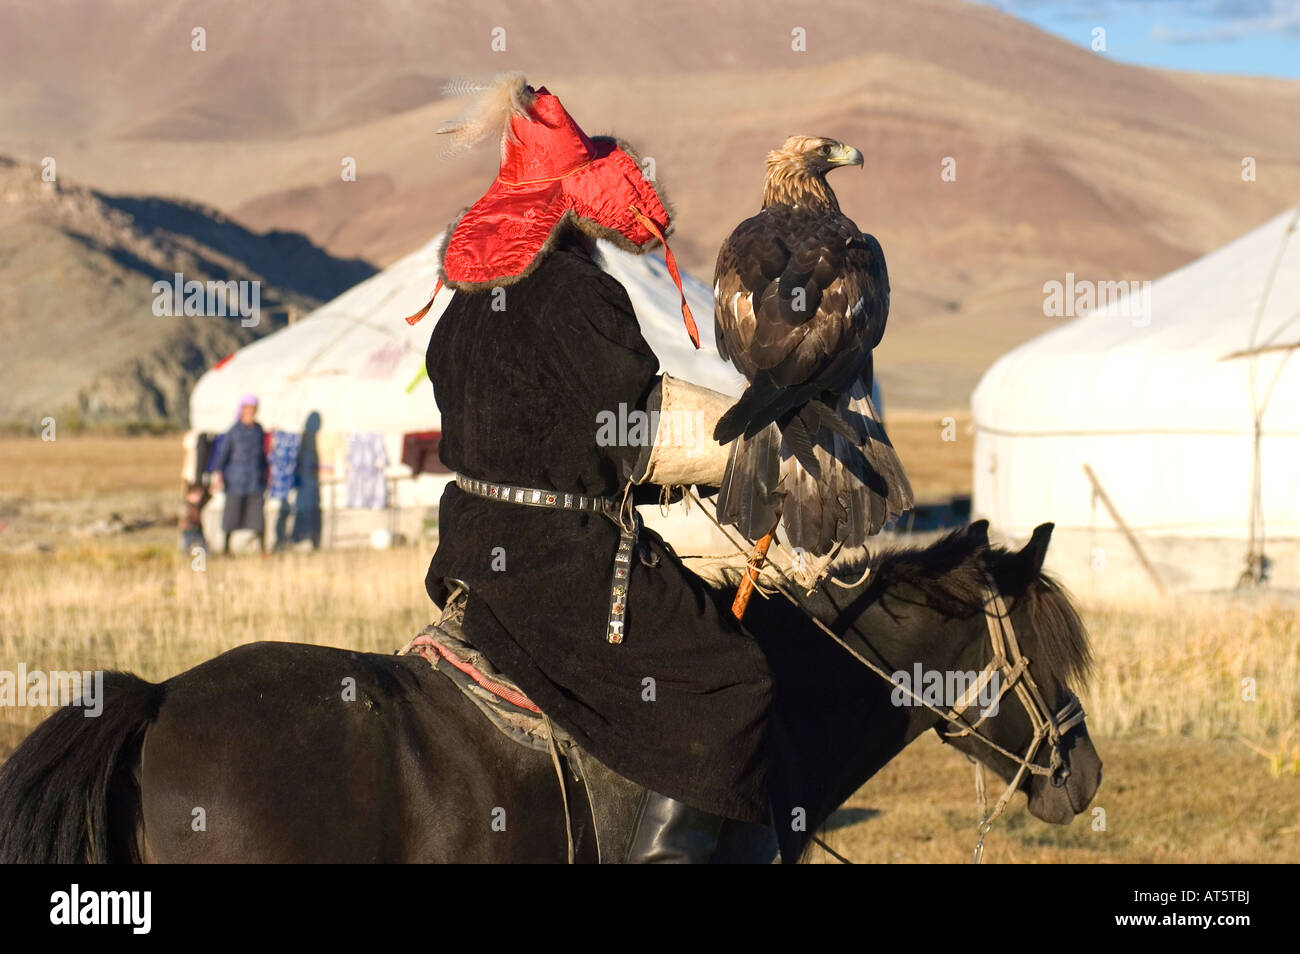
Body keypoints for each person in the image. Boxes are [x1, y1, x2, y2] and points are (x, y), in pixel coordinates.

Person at [416, 75, 773, 862]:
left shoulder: (466, 304)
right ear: (579, 212)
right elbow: (631, 430)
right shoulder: (581, 295)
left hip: (470, 555)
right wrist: (742, 455)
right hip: (562, 568)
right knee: (732, 676)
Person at [211, 394, 268, 555]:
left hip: (255, 480)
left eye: (253, 410)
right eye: (248, 409)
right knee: (232, 514)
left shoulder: (258, 430)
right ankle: (226, 549)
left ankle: (262, 550)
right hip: (236, 480)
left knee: (258, 517)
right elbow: (223, 453)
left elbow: (261, 455)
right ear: (242, 411)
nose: (251, 413)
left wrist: (266, 475)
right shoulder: (234, 431)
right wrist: (218, 473)